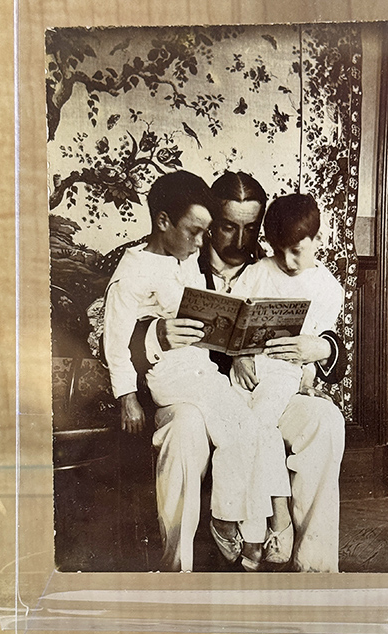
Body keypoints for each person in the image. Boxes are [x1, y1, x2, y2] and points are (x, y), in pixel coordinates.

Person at [132, 171, 346, 573]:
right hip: (194, 396)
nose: (240, 240)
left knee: (325, 421)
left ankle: (314, 569)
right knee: (184, 430)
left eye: (251, 229)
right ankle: (176, 569)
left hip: (266, 387)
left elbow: (326, 329)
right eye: (229, 227)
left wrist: (320, 348)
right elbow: (118, 329)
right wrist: (158, 333)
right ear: (211, 220)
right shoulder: (172, 258)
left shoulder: (274, 266)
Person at [103, 170, 273, 568]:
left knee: (247, 430)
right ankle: (224, 528)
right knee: (239, 430)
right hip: (171, 380)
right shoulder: (130, 275)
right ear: (162, 222)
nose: (202, 243)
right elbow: (113, 343)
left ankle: (233, 526)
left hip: (201, 375)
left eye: (205, 233)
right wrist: (127, 399)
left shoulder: (186, 259)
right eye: (194, 232)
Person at [229, 193, 344, 566]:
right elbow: (231, 328)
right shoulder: (257, 273)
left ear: (318, 239)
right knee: (255, 425)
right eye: (280, 252)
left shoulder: (326, 286)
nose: (289, 261)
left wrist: (313, 365)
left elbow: (324, 345)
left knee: (318, 422)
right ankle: (267, 524)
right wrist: (241, 355)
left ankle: (312, 559)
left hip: (288, 382)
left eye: (297, 251)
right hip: (248, 382)